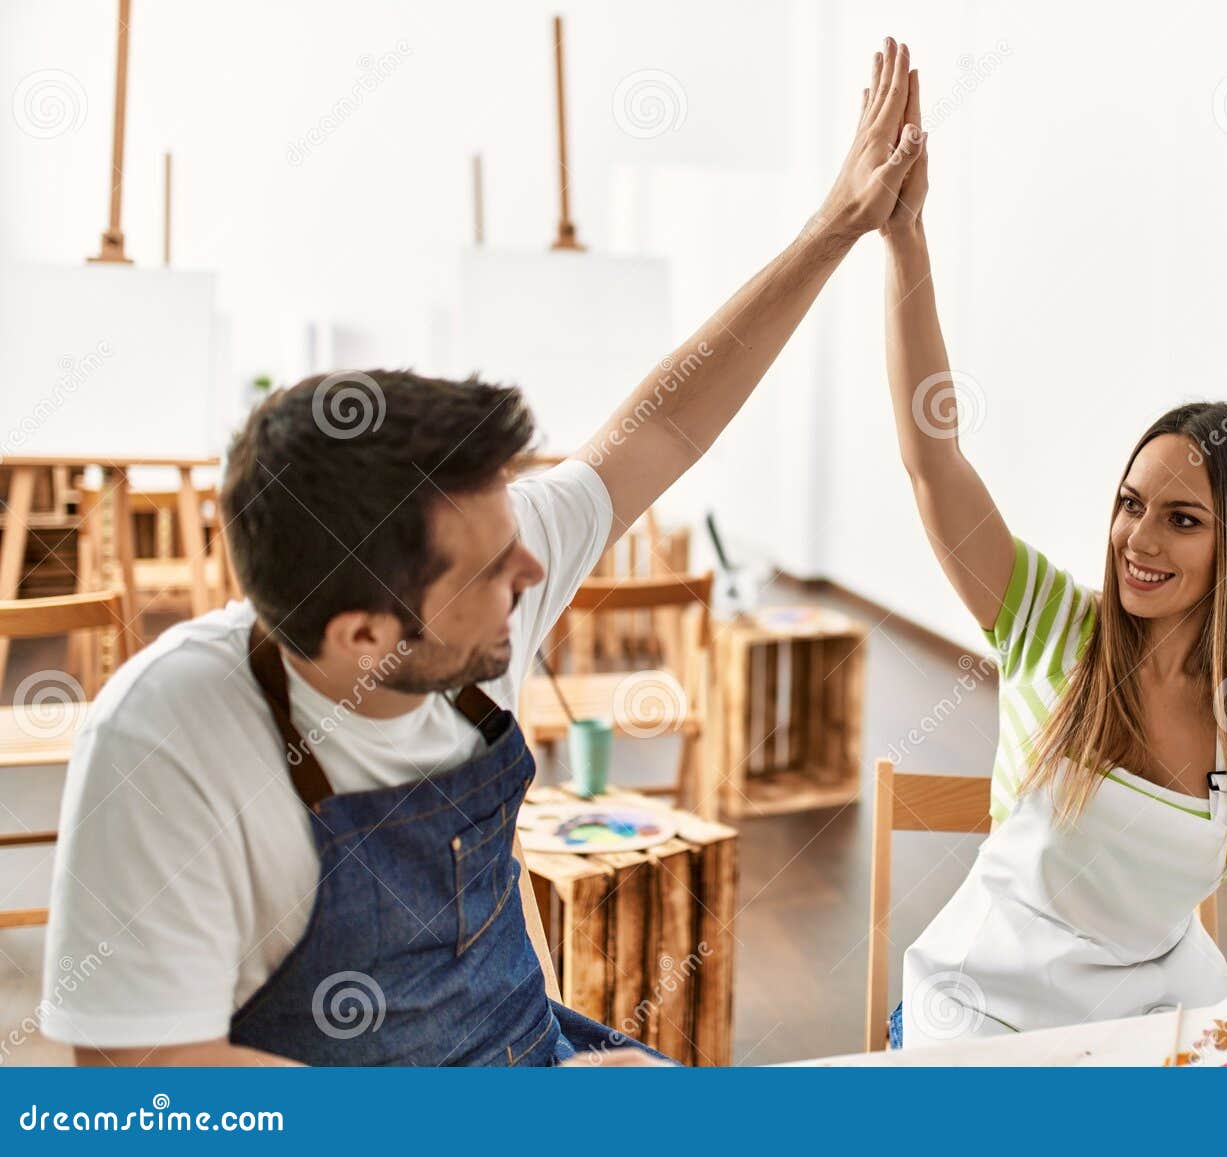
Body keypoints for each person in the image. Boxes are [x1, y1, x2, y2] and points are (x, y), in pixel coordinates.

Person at [41, 38, 927, 1067]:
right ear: (365, 631)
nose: (535, 571)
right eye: (491, 573)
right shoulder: (164, 740)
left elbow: (666, 428)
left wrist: (836, 225)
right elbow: (146, 1075)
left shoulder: (481, 561)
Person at [877, 70, 1227, 1066]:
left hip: (1160, 1031)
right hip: (981, 1025)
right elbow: (932, 461)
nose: (1136, 539)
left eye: (1182, 519)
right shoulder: (1050, 627)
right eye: (1129, 503)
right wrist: (904, 238)